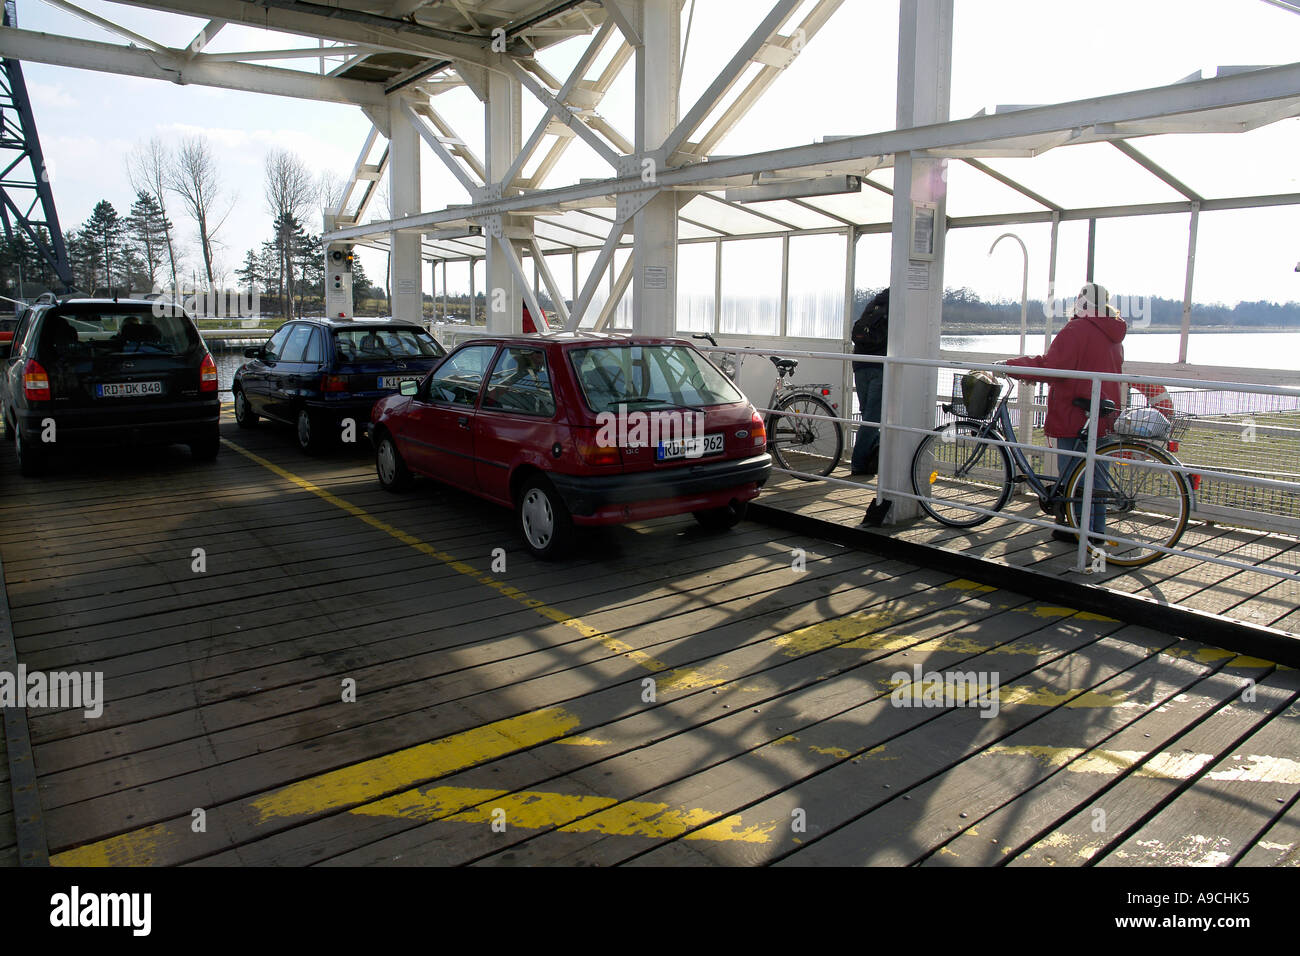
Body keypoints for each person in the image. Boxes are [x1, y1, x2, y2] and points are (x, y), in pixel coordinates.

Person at [1002, 282, 1126, 543]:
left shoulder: (1076, 329)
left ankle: (1075, 530)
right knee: (1098, 476)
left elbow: (1052, 365)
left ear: (1081, 301)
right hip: (1106, 411)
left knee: (1073, 474)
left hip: (1076, 411)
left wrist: (1011, 366)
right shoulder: (1113, 332)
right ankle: (1095, 531)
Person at [849, 287, 889, 475]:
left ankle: (870, 463)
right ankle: (858, 463)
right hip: (879, 367)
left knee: (868, 415)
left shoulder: (873, 305)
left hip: (860, 365)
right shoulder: (895, 308)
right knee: (873, 419)